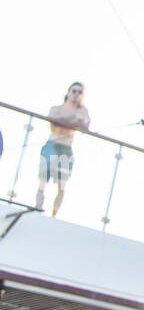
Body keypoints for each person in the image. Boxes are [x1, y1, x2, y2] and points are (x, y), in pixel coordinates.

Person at [35, 82, 91, 217]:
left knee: (61, 185)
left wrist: (67, 122)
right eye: (74, 91)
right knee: (43, 180)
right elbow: (54, 121)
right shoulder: (57, 108)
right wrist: (71, 121)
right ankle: (38, 208)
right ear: (68, 92)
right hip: (51, 145)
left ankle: (54, 214)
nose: (76, 95)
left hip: (65, 149)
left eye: (80, 92)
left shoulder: (83, 111)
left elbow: (84, 125)